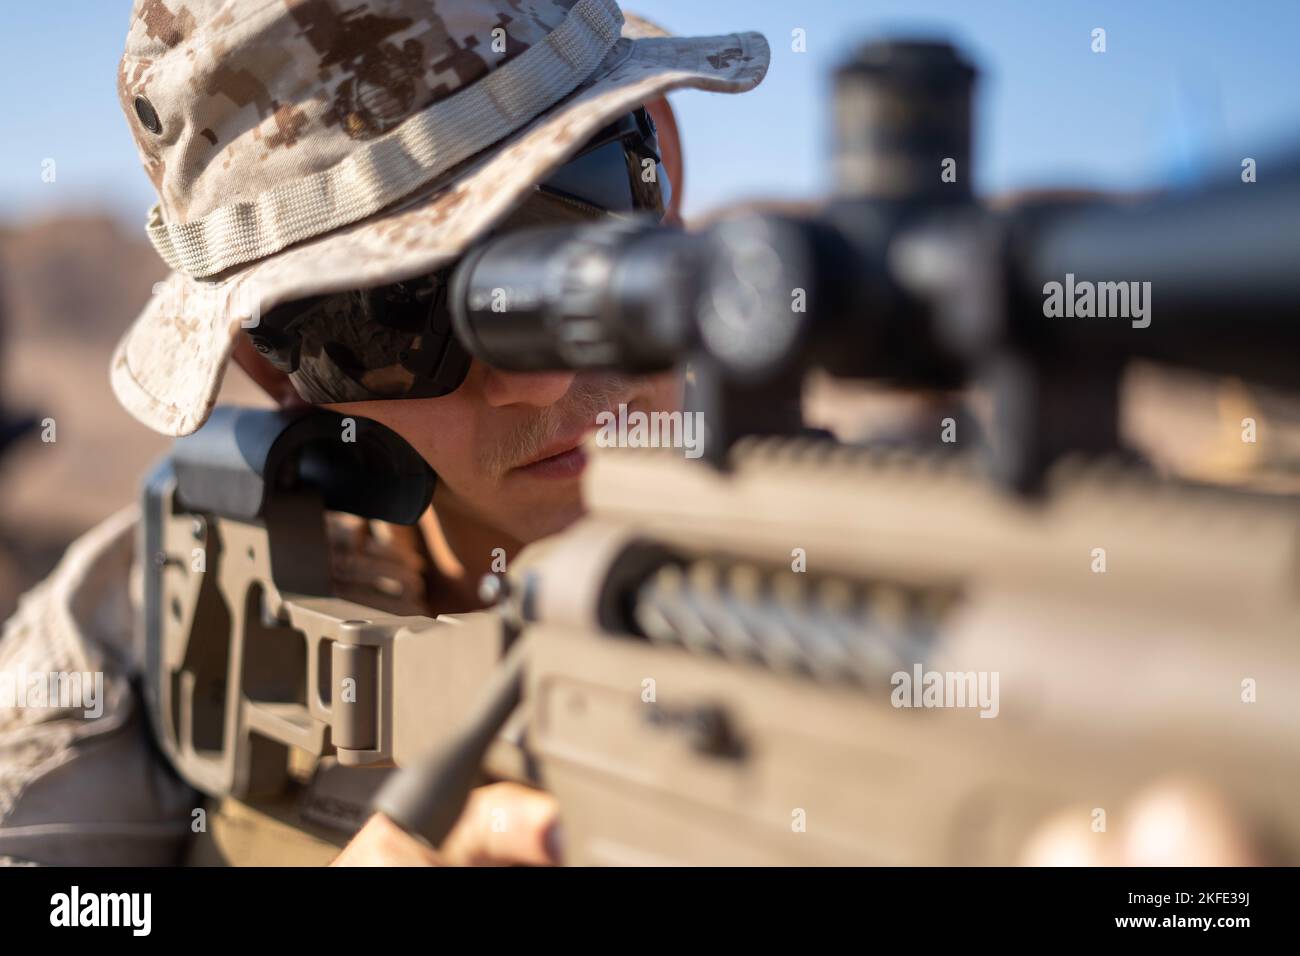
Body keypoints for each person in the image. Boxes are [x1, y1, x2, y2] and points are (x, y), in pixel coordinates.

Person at [0, 0, 770, 866]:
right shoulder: (134, 624)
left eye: (579, 218)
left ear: (659, 162)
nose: (537, 380)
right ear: (274, 372)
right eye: (391, 320)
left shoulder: (893, 604)